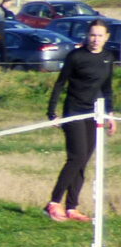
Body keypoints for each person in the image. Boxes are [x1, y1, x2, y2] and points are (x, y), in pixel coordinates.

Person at [45, 16, 115, 224]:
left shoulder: (108, 58)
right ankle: (53, 203)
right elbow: (60, 84)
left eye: (99, 36)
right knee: (75, 158)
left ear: (106, 37)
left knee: (83, 161)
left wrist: (110, 114)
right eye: (92, 35)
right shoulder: (76, 56)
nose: (95, 39)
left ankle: (72, 207)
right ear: (87, 36)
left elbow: (107, 88)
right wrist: (51, 112)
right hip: (74, 112)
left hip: (94, 114)